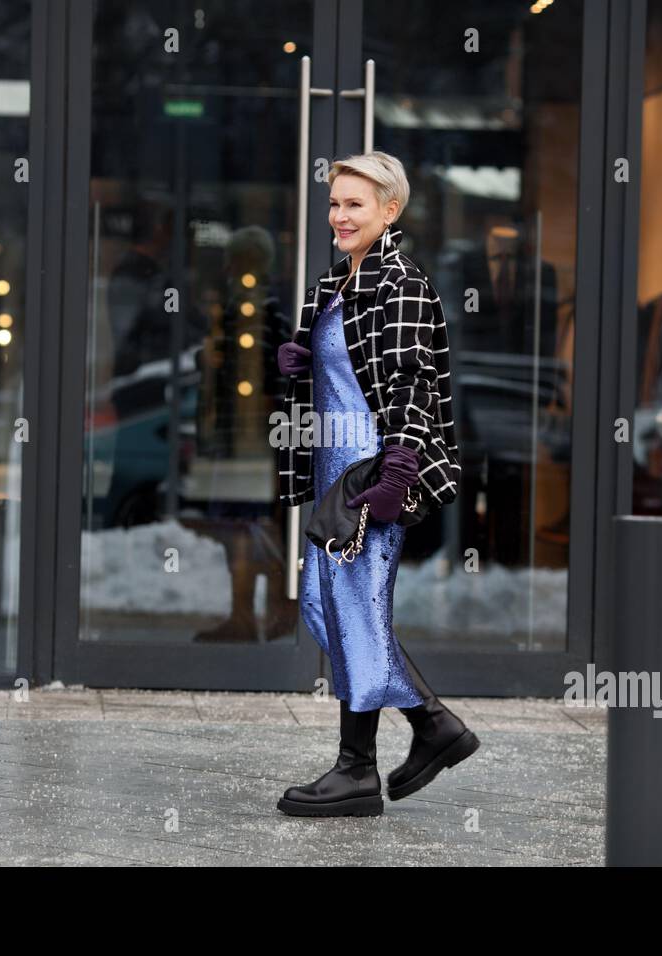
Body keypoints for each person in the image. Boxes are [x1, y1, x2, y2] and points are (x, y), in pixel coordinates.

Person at [274, 151, 479, 817]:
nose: (339, 215)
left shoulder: (403, 284)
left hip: (371, 471)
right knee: (324, 607)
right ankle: (430, 725)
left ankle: (357, 767)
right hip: (332, 467)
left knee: (356, 611)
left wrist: (398, 471)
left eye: (354, 204)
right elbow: (341, 370)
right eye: (335, 203)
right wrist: (300, 361)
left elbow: (415, 385)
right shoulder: (335, 283)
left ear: (390, 210)